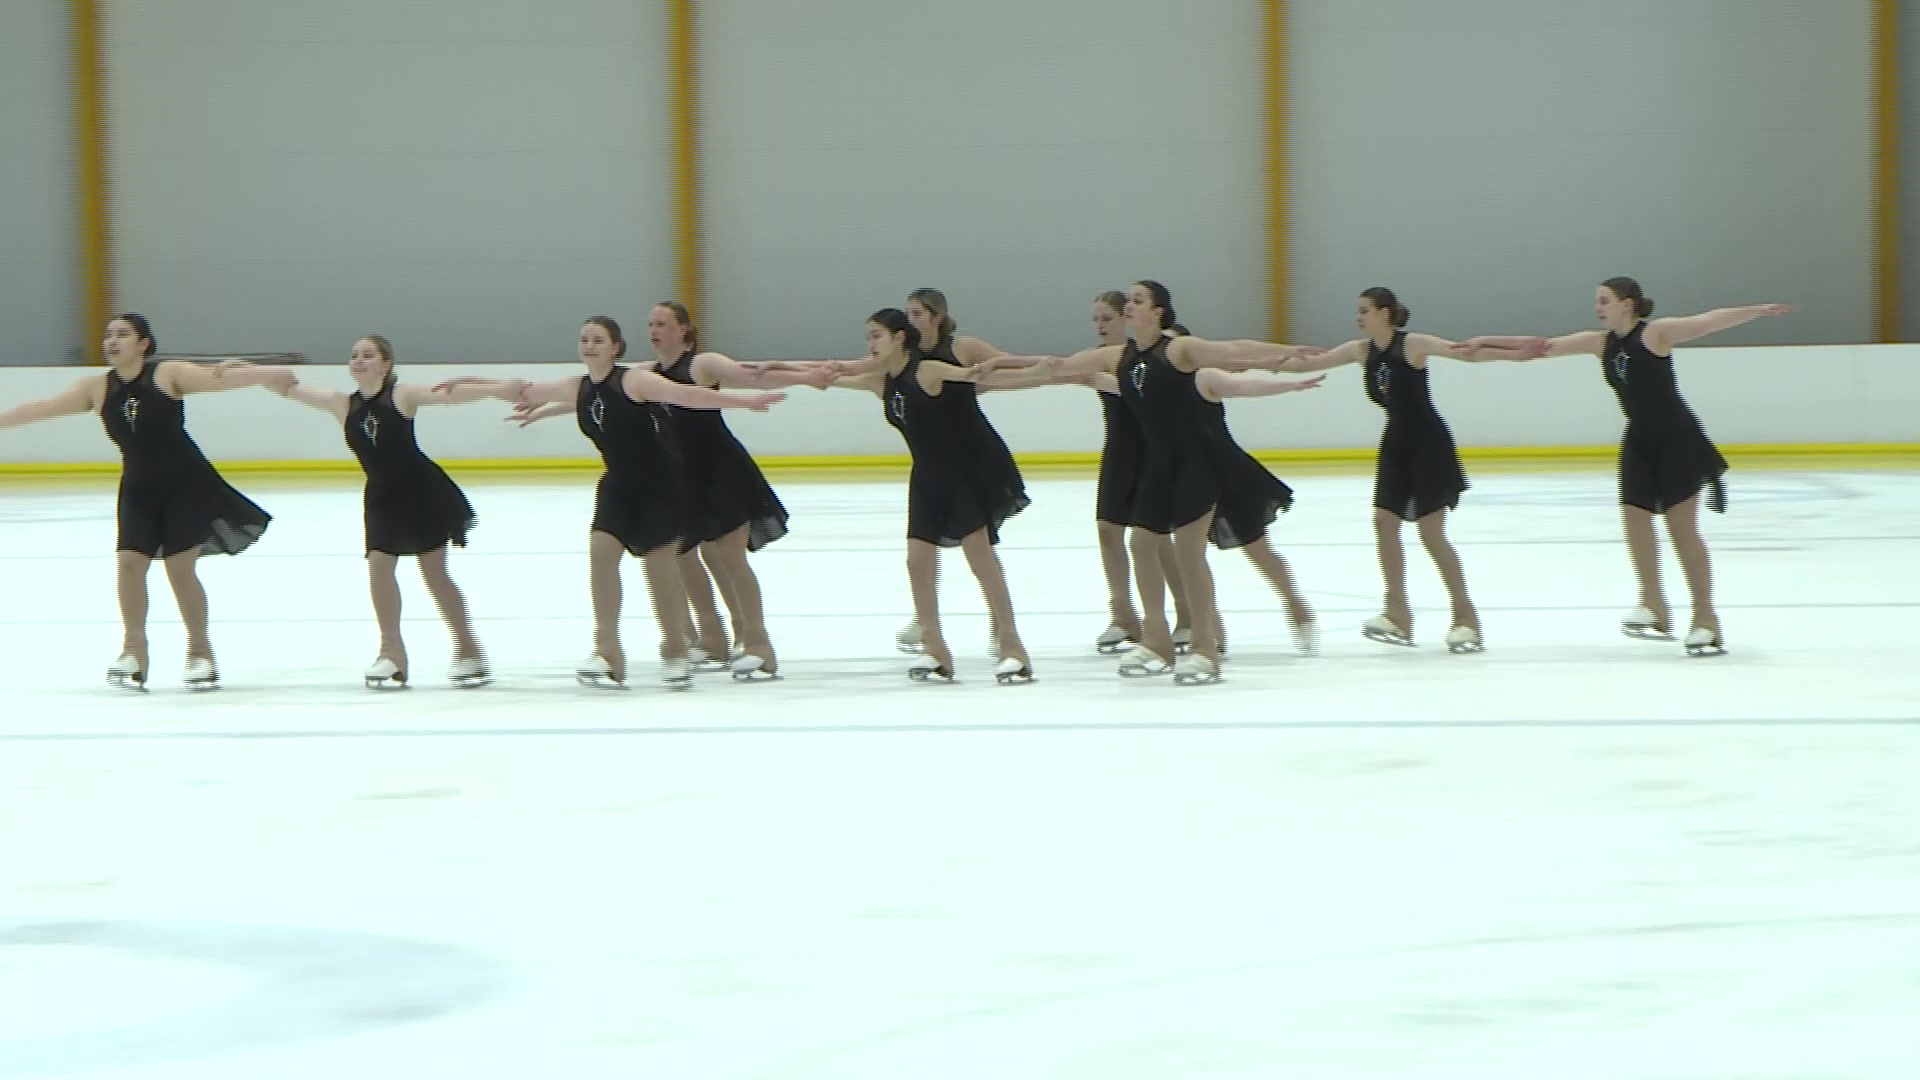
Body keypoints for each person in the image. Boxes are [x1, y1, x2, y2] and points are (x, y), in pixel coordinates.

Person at [978, 281, 1324, 685]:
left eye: (1137, 300)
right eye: (1128, 300)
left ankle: (1206, 647)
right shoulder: (1118, 357)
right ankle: (1156, 640)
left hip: (1199, 465)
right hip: (1159, 467)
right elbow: (1056, 366)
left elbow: (1234, 350)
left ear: (1158, 312)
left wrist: (1282, 354)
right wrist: (993, 373)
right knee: (1141, 543)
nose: (1129, 305)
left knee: (1192, 552)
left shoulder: (1179, 351)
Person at [441, 316, 785, 689]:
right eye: (584, 339)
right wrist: (474, 384)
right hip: (618, 485)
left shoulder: (634, 380)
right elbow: (523, 391)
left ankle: (675, 649)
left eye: (598, 340)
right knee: (601, 553)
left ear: (616, 347)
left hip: (661, 486)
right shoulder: (578, 386)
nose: (589, 345)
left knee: (659, 567)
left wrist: (744, 401)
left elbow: (688, 395)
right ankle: (607, 651)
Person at [1462, 278, 1794, 656]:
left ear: (1628, 304)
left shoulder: (1656, 334)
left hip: (1677, 440)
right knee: (1635, 520)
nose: (1597, 307)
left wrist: (1755, 310)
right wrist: (1486, 341)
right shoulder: (1599, 342)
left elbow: (1706, 322)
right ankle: (1653, 604)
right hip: (1639, 440)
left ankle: (1706, 618)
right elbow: (1540, 346)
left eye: (1604, 301)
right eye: (1596, 302)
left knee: (1681, 528)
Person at [0, 313, 288, 689]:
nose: (111, 340)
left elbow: (219, 378)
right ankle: (134, 650)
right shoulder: (96, 387)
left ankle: (200, 652)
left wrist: (267, 375)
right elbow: (39, 409)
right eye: (108, 335)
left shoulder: (167, 374)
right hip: (138, 488)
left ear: (143, 343)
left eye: (122, 334)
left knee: (179, 568)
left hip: (185, 484)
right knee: (129, 564)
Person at [1277, 287, 1537, 652]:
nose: (1358, 317)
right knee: (1384, 523)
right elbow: (1308, 363)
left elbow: (1463, 353)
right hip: (1395, 444)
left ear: (1385, 312)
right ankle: (1397, 613)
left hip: (1428, 444)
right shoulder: (1360, 351)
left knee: (1431, 533)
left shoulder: (1412, 344)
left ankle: (1466, 618)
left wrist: (1514, 352)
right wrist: (1250, 360)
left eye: (1364, 310)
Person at [823, 308, 1036, 683]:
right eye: (868, 337)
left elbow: (976, 375)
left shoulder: (928, 370)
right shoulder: (881, 381)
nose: (869, 344)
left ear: (899, 337)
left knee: (981, 560)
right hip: (925, 480)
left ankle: (1012, 646)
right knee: (917, 562)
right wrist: (779, 372)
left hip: (960, 477)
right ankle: (936, 651)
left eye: (876, 336)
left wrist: (1042, 368)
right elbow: (832, 376)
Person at [272, 334, 494, 688]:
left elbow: (449, 395)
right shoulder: (340, 403)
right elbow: (286, 388)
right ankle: (392, 653)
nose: (359, 360)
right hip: (381, 497)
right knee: (379, 566)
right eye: (355, 355)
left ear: (386, 364)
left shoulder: (401, 397)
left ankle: (469, 649)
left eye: (368, 355)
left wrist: (496, 387)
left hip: (422, 492)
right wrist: (251, 372)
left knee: (434, 574)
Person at [642, 301, 833, 678]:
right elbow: (608, 391)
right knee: (682, 554)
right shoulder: (648, 373)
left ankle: (756, 641)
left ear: (683, 330)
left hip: (721, 471)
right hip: (683, 478)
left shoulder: (702, 364)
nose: (653, 329)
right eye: (650, 323)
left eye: (662, 323)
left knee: (728, 554)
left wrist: (806, 376)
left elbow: (751, 376)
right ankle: (711, 637)